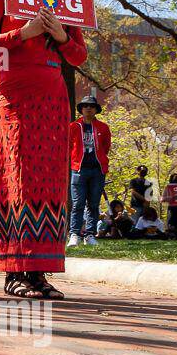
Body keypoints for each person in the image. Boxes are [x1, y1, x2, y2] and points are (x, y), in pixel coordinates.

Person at [0, 0, 87, 299]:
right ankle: (15, 271)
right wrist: (20, 34)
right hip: (11, 98)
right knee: (16, 178)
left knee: (49, 184)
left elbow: (78, 56)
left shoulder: (66, 1)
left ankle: (40, 271)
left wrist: (60, 35)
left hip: (53, 99)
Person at [67, 95, 111, 247]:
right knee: (78, 203)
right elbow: (69, 147)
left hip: (97, 170)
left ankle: (90, 235)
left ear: (95, 110)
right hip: (78, 170)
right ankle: (74, 234)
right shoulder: (73, 127)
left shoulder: (103, 127)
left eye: (91, 106)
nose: (88, 108)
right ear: (81, 109)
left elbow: (106, 147)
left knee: (93, 204)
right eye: (85, 106)